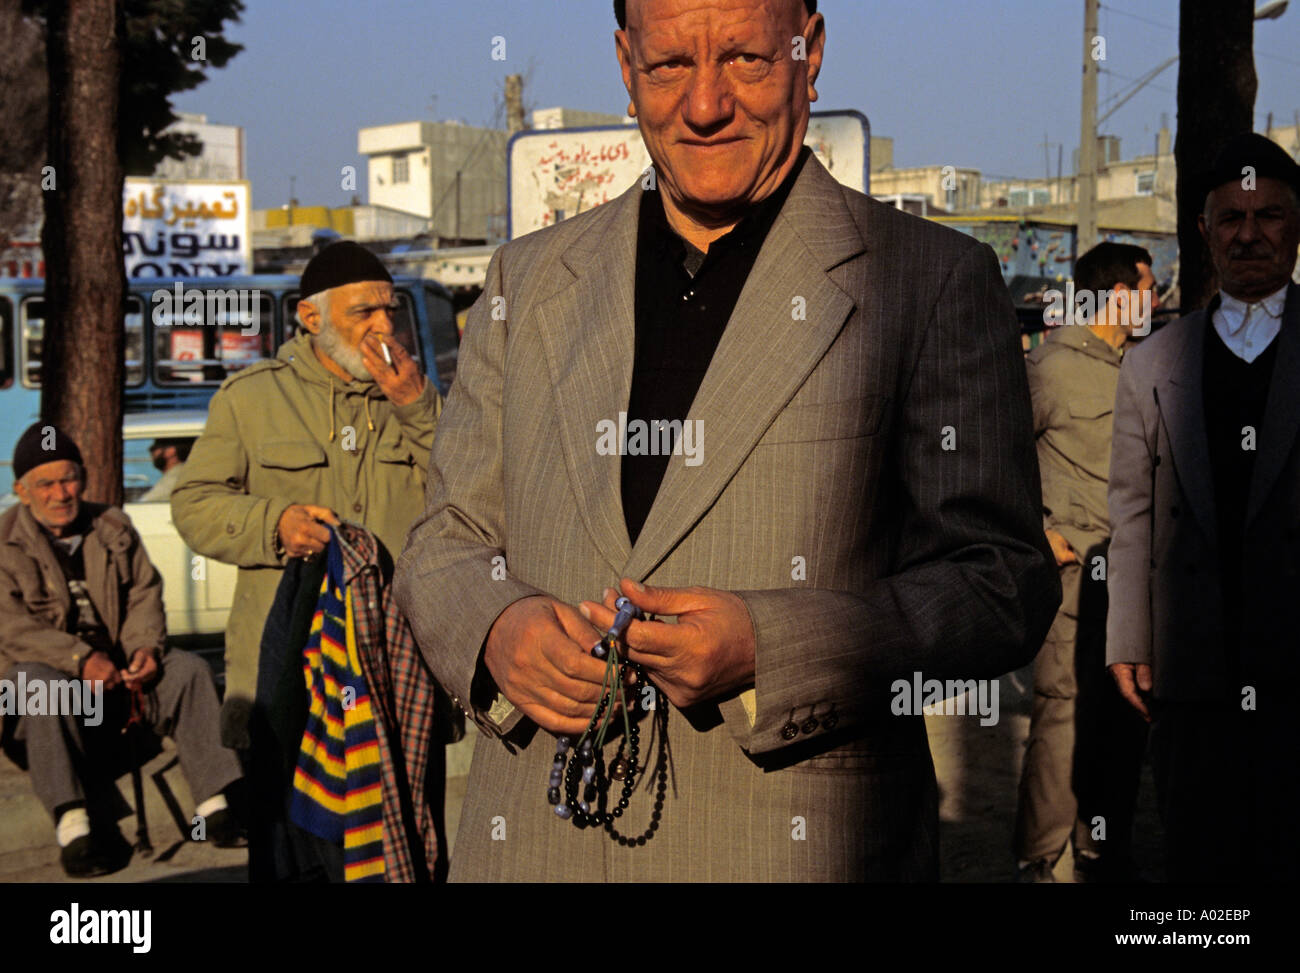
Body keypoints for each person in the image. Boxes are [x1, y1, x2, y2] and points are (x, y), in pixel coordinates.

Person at [394, 0, 1059, 882]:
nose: (705, 105)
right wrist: (495, 627)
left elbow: (1001, 582)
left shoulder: (932, 280)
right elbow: (445, 540)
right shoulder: (527, 277)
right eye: (670, 65)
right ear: (625, 64)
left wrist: (772, 645)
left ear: (809, 51)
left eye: (745, 59)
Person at [1107, 131, 1300, 882]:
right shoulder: (1152, 362)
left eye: (1269, 215)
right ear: (1204, 231)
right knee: (1200, 863)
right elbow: (1131, 512)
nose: (1250, 235)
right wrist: (1128, 635)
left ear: (1296, 226)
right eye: (1231, 218)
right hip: (1192, 671)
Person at [171, 241, 441, 750]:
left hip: (399, 667)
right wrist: (274, 524)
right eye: (363, 312)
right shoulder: (251, 398)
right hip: (288, 670)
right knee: (286, 801)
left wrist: (416, 408)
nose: (384, 326)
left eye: (390, 310)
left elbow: (468, 495)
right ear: (312, 318)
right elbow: (193, 503)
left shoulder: (418, 400)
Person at [0, 424, 243, 877]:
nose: (60, 494)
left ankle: (216, 806)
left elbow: (144, 595)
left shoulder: (112, 525)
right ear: (22, 491)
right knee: (35, 682)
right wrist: (80, 659)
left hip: (118, 685)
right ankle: (75, 828)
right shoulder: (3, 541)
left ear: (83, 478)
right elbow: (11, 628)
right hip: (48, 701)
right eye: (46, 484)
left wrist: (144, 649)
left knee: (187, 669)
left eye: (68, 479)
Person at [1013, 242, 1157, 883]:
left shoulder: (1142, 369)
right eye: (1150, 288)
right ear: (1120, 294)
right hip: (1075, 585)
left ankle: (1102, 853)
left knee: (1128, 718)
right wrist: (1039, 534)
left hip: (1136, 583)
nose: (1156, 300)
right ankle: (1038, 863)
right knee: (1064, 718)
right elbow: (997, 460)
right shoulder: (1050, 368)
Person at [139, 437, 193, 502]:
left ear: (171, 451)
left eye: (154, 448)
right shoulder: (179, 473)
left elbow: (148, 500)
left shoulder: (175, 478)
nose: (151, 452)